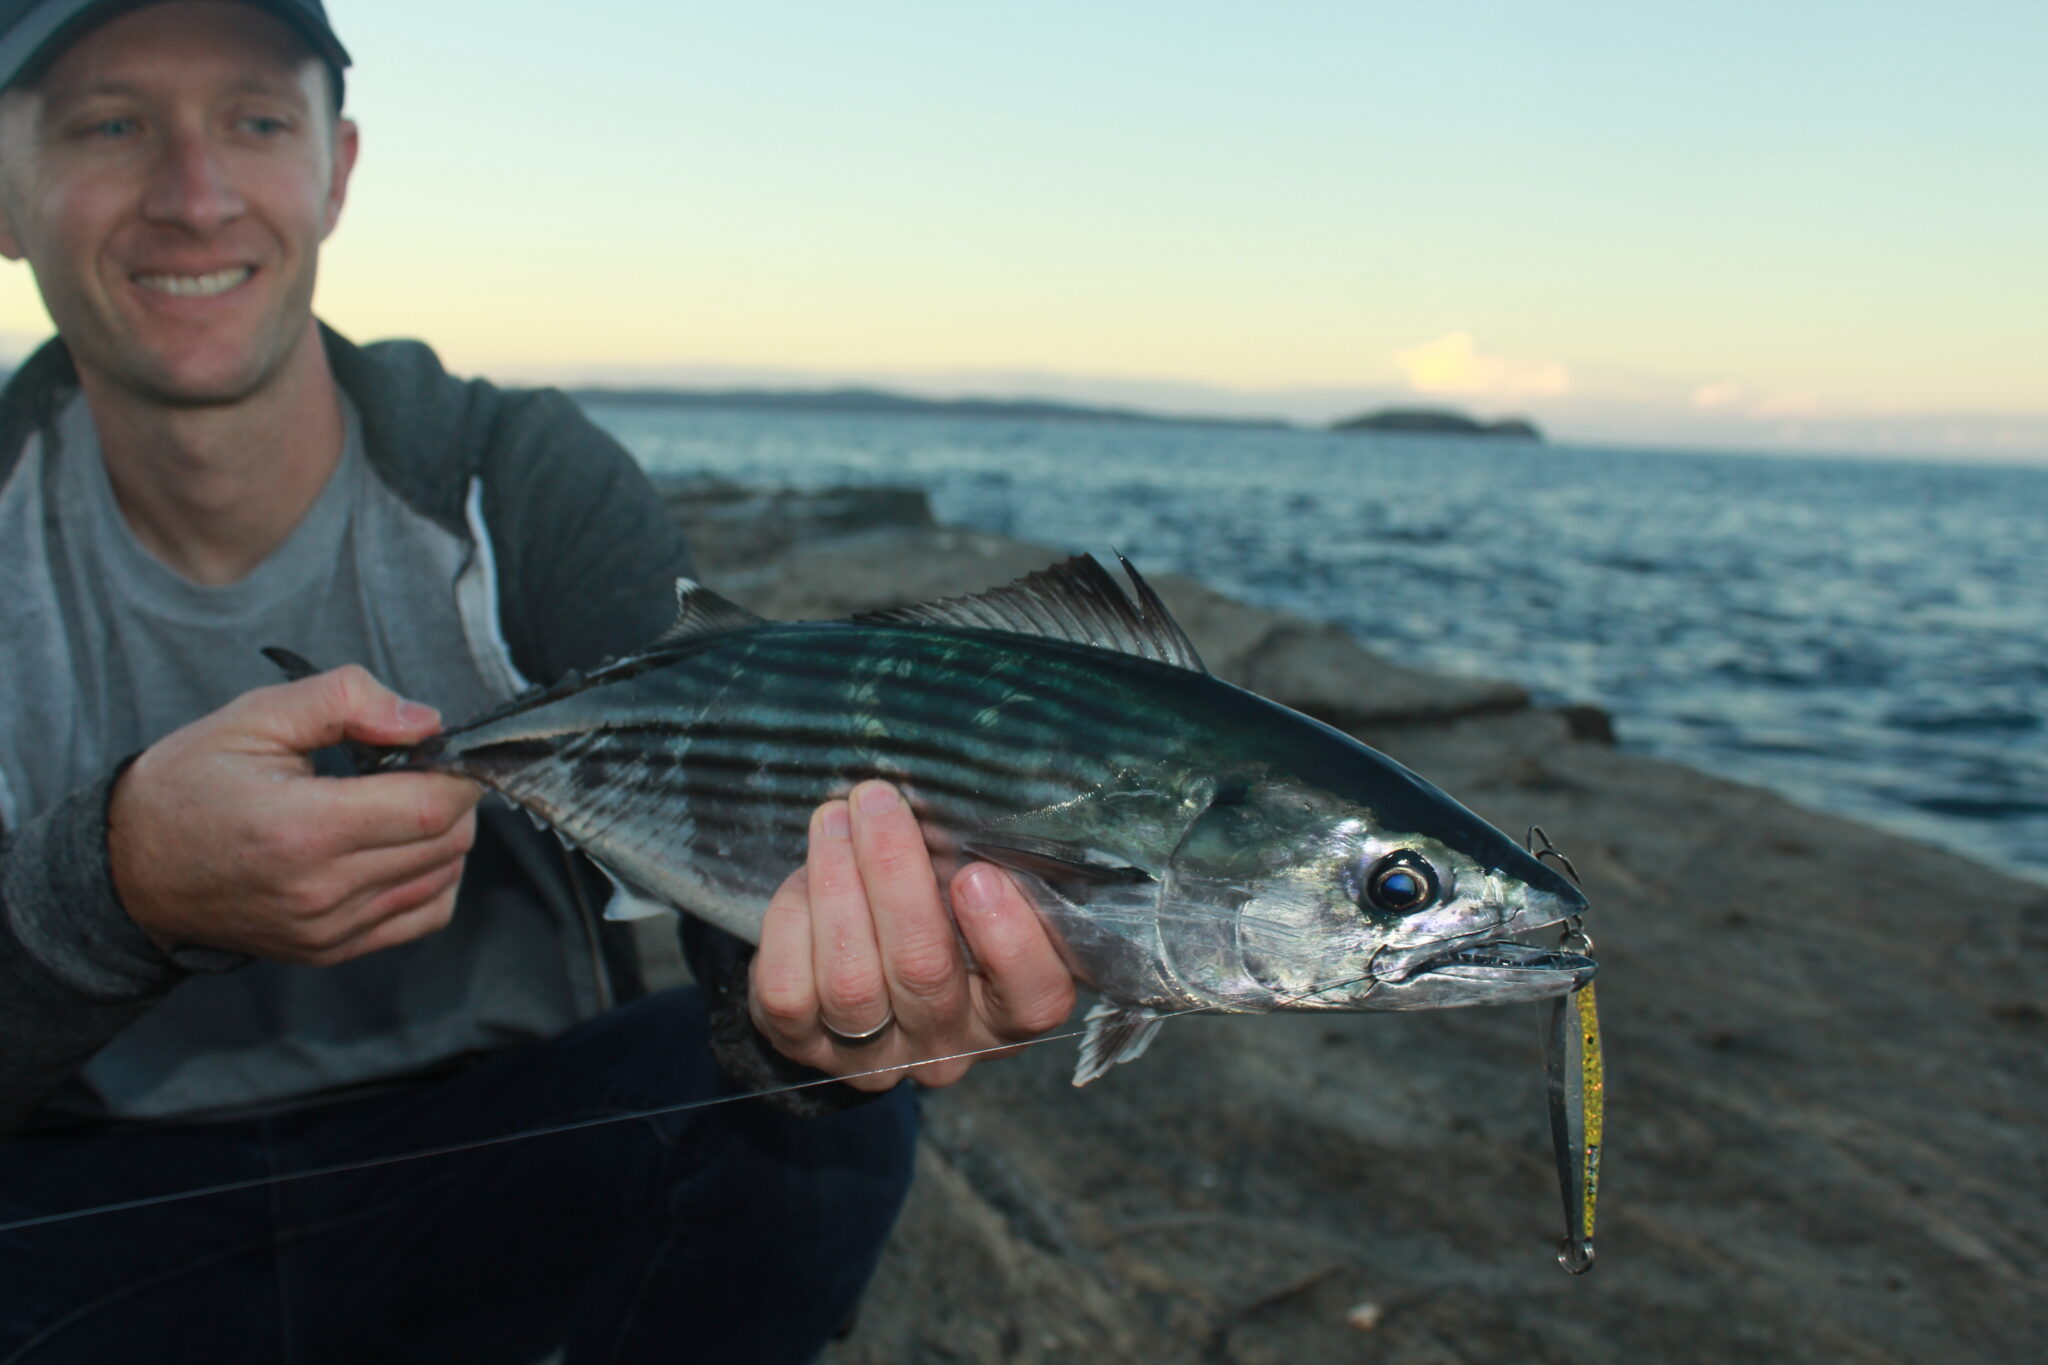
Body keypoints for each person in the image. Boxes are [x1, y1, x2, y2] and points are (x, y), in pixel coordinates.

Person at [0, 1, 1076, 1359]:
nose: (196, 196)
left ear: (335, 169)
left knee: (813, 1142)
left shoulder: (521, 482)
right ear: (4, 188)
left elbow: (738, 944)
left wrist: (833, 1018)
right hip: (83, 1199)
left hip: (494, 1142)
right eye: (110, 123)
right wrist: (116, 886)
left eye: (255, 120)